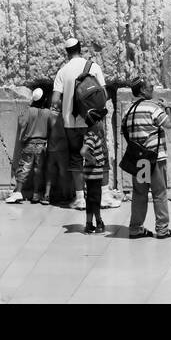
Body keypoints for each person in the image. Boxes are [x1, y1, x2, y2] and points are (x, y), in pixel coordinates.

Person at [52, 38, 107, 212]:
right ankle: (104, 195)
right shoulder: (93, 67)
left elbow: (55, 100)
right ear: (80, 49)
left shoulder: (62, 71)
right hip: (92, 120)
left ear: (67, 52)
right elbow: (104, 93)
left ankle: (80, 198)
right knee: (99, 155)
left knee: (76, 158)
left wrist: (66, 106)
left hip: (71, 123)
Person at [122, 77, 171, 240]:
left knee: (139, 193)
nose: (153, 89)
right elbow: (169, 124)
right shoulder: (153, 108)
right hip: (155, 158)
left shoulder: (128, 111)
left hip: (140, 160)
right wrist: (167, 108)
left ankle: (136, 228)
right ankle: (162, 229)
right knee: (159, 193)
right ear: (142, 91)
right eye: (150, 87)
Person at [6, 87, 51, 205]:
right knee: (38, 170)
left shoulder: (29, 110)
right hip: (42, 144)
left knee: (24, 168)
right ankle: (36, 194)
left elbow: (22, 123)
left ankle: (18, 192)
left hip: (30, 143)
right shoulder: (48, 112)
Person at [81, 107, 108, 235]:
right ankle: (99, 223)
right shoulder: (93, 137)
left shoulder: (88, 135)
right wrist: (93, 160)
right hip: (94, 175)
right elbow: (83, 151)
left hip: (89, 175)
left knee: (90, 199)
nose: (102, 123)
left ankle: (88, 224)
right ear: (97, 123)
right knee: (95, 199)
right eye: (101, 120)